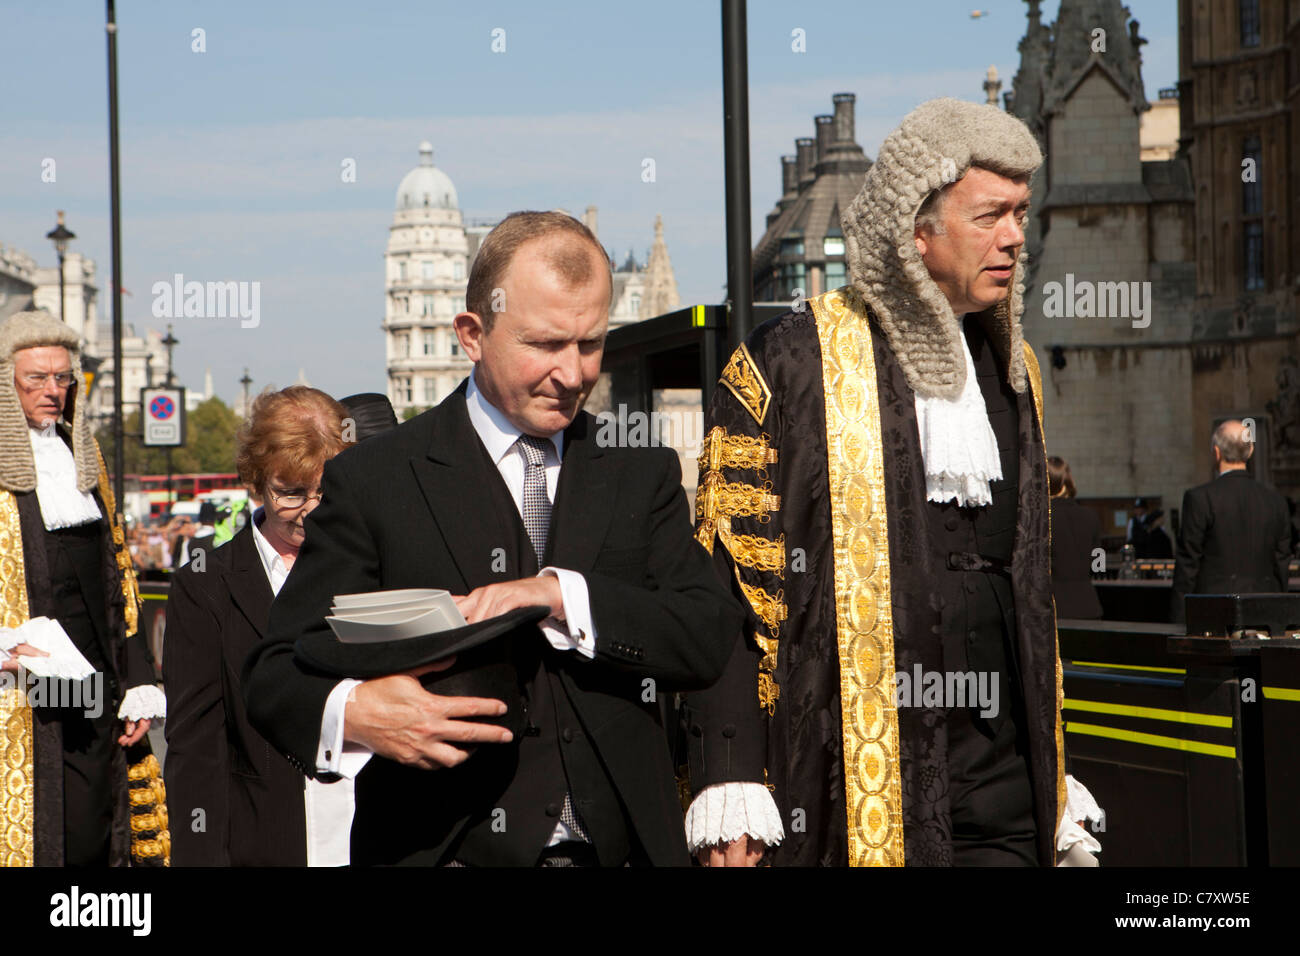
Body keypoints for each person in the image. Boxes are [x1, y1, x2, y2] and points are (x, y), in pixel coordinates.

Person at [243, 211, 743, 867]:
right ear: (471, 334)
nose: (572, 373)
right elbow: (275, 675)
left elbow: (706, 634)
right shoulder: (376, 481)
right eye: (544, 344)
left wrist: (561, 596)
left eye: (590, 344)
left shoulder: (637, 472)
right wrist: (356, 712)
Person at [686, 98, 1101, 867]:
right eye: (989, 215)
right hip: (848, 790)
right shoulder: (789, 362)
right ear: (916, 231)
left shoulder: (1017, 373)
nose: (1015, 235)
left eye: (1021, 212)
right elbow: (725, 590)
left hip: (1006, 793)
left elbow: (1028, 588)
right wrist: (731, 781)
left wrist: (1054, 769)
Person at [0, 309, 167, 867]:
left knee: (96, 812)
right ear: (7, 383)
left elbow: (120, 577)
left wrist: (138, 677)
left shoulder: (83, 459)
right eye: (36, 379)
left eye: (63, 378)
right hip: (20, 680)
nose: (53, 391)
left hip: (93, 673)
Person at [163, 386, 354, 866]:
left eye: (324, 492)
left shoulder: (374, 566)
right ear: (255, 481)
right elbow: (195, 749)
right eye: (290, 493)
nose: (310, 509)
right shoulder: (205, 585)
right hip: (263, 839)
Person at [1170, 419, 1291, 623]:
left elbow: (1188, 565)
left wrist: (1179, 619)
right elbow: (1281, 563)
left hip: (1212, 615)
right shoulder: (1276, 502)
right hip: (1263, 613)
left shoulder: (1199, 498)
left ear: (1216, 453)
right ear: (1250, 452)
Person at [1048, 457, 1103, 620]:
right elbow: (1099, 565)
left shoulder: (1042, 519)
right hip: (1089, 605)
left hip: (1054, 608)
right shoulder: (1091, 516)